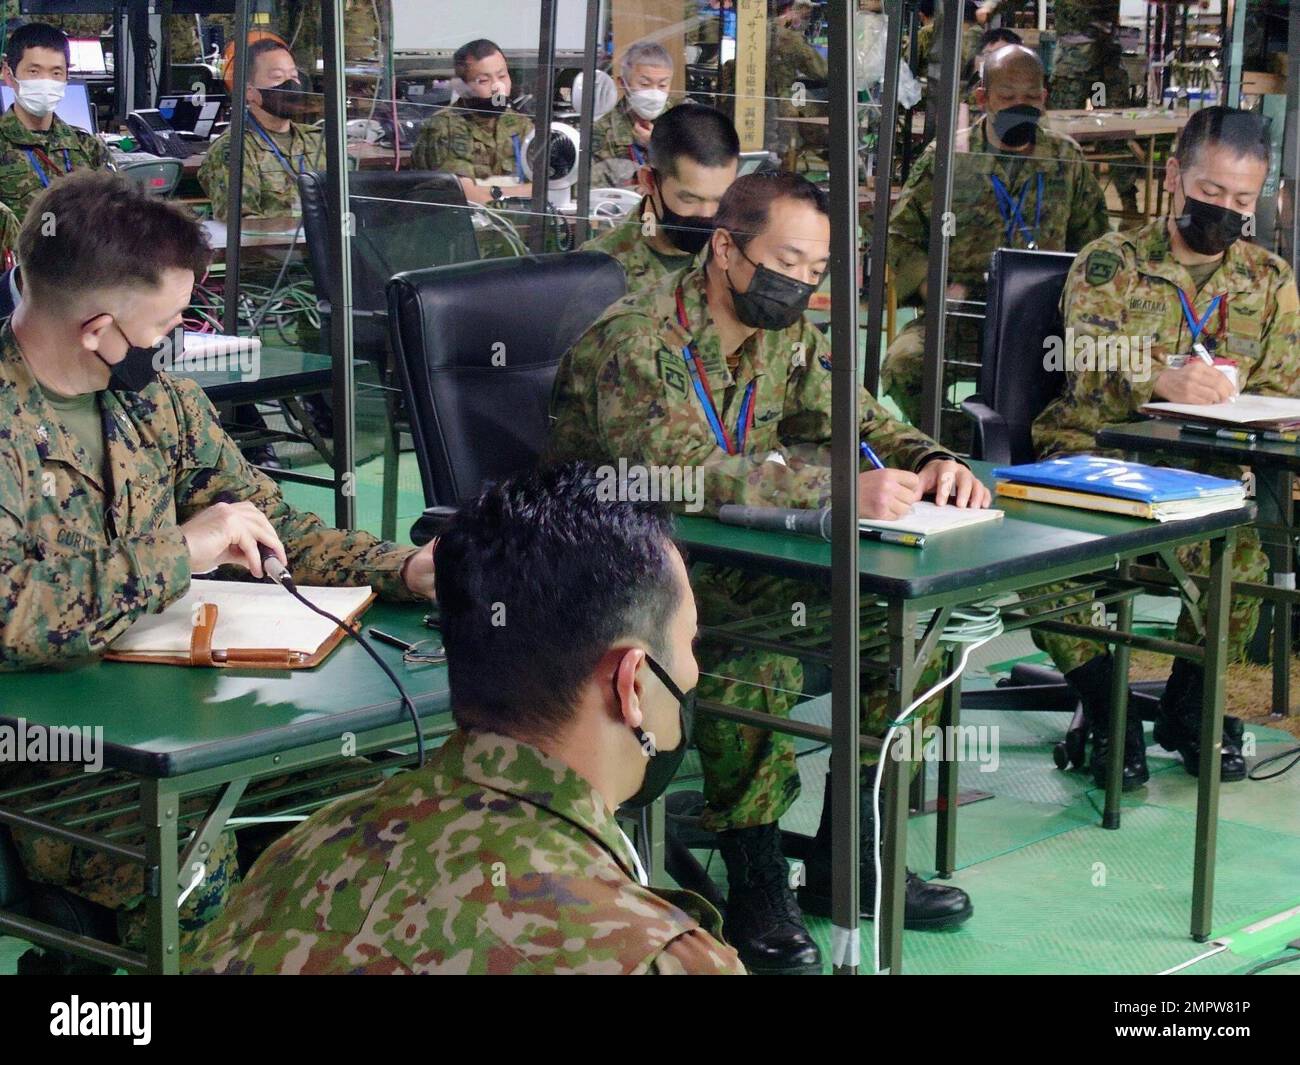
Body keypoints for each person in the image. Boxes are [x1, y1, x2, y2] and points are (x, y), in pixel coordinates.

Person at [548, 172, 987, 975]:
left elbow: (856, 416)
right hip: (625, 572)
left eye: (818, 270)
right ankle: (755, 877)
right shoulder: (639, 339)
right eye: (789, 260)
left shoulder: (781, 331)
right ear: (724, 248)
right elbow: (673, 471)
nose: (803, 283)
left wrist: (930, 458)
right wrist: (833, 487)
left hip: (732, 560)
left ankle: (851, 853)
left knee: (899, 631)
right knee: (756, 649)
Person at [0, 170, 436, 968]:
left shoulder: (155, 401)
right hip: (46, 755)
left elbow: (268, 522)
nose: (171, 341)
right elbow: (12, 615)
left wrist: (404, 568)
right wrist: (185, 547)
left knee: (380, 811)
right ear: (97, 329)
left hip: (185, 719)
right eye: (163, 324)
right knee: (198, 874)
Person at [188, 463, 746, 975]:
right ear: (632, 685)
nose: (693, 669)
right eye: (689, 643)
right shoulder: (661, 958)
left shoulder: (295, 861)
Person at [1031, 106, 1300, 786]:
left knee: (1243, 551)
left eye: (1243, 200)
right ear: (1176, 177)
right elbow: (1086, 349)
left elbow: (1282, 389)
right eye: (1212, 193)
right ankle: (1107, 702)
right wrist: (1161, 375)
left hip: (1201, 471)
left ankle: (1190, 702)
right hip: (1094, 457)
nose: (1226, 211)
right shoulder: (1111, 261)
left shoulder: (1268, 280)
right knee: (1044, 564)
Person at [881, 44, 1108, 449]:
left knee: (1099, 374)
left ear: (1045, 97)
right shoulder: (951, 158)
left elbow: (1095, 245)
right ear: (983, 98)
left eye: (1031, 97)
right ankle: (958, 448)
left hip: (1045, 318)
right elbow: (901, 238)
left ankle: (1042, 450)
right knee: (903, 364)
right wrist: (934, 287)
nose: (1020, 106)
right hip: (965, 310)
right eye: (1007, 98)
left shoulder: (1064, 159)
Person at [582, 103, 739, 292]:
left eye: (720, 200)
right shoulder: (597, 270)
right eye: (690, 199)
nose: (707, 213)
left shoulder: (742, 257)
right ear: (648, 181)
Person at [197, 36, 324, 222]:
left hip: (325, 247)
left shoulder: (318, 141)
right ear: (249, 91)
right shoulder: (234, 149)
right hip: (273, 249)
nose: (291, 85)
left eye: (294, 76)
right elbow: (242, 223)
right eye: (277, 77)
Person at [0, 22, 111, 217]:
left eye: (56, 73)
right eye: (34, 71)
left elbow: (117, 216)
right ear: (9, 75)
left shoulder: (88, 146)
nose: (46, 82)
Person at [411, 38, 533, 207]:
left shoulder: (520, 124)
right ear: (463, 88)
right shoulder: (444, 126)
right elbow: (468, 196)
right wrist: (517, 192)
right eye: (484, 81)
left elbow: (549, 188)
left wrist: (493, 190)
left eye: (502, 76)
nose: (498, 87)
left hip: (517, 225)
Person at [589, 39, 676, 189]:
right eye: (644, 84)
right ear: (623, 83)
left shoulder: (683, 120)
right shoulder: (602, 130)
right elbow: (593, 191)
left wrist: (657, 146)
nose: (654, 92)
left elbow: (700, 175)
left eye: (662, 85)